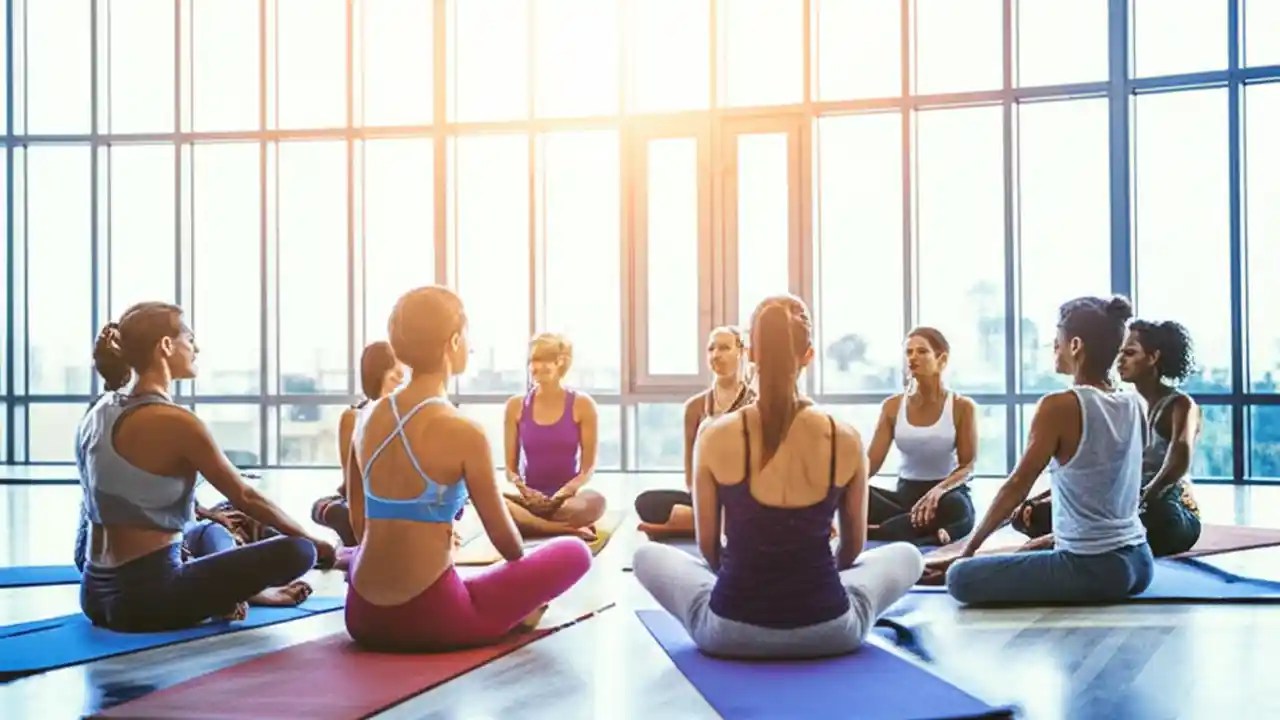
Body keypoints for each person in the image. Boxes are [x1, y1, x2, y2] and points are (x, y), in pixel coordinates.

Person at [632, 294, 924, 659]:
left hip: (728, 632)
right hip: (832, 630)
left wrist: (750, 580)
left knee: (646, 556)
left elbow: (709, 548)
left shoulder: (714, 435)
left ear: (751, 353)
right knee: (908, 555)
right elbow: (852, 548)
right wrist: (811, 581)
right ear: (809, 355)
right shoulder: (844, 437)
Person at [343, 286, 591, 650]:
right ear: (454, 341)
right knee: (574, 552)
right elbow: (507, 545)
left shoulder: (365, 418)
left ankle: (489, 603)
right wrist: (523, 584)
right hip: (432, 618)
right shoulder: (463, 430)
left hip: (362, 615)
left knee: (460, 581)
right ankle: (511, 614)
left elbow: (358, 522)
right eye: (467, 336)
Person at [78, 302, 336, 632]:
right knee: (298, 551)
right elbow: (247, 497)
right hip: (147, 598)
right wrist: (317, 543)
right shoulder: (176, 422)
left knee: (209, 532)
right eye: (189, 337)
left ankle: (237, 590)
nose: (196, 347)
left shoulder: (97, 412)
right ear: (166, 346)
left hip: (93, 592)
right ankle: (248, 592)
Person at [925, 296, 1154, 605]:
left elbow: (1017, 487)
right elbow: (1113, 487)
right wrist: (1050, 540)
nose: (1053, 347)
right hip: (1140, 561)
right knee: (1031, 549)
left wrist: (965, 554)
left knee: (960, 578)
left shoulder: (1059, 406)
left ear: (1075, 345)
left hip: (1092, 568)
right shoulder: (1134, 402)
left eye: (1056, 340)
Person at [1013, 320, 1203, 557]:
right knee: (1028, 516)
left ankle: (1062, 539)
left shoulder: (1181, 405)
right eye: (1120, 352)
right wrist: (1037, 499)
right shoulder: (1124, 404)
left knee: (1159, 520)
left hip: (1165, 505)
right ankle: (1085, 536)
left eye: (1130, 353)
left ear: (1153, 357)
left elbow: (1179, 458)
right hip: (1119, 505)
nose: (1120, 360)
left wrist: (1142, 498)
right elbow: (1093, 469)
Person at [634, 327, 756, 537]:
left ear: (742, 352)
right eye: (711, 349)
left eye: (725, 348)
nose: (716, 355)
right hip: (707, 495)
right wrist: (701, 498)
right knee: (647, 503)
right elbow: (691, 467)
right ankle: (714, 522)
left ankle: (692, 525)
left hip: (746, 493)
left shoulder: (756, 403)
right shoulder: (695, 407)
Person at [864, 328, 977, 546]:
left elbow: (967, 466)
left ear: (941, 359)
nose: (912, 357)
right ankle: (926, 531)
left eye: (922, 351)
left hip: (945, 494)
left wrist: (938, 491)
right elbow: (871, 464)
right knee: (857, 496)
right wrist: (840, 491)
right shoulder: (892, 406)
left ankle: (885, 530)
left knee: (959, 508)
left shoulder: (962, 407)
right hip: (905, 497)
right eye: (909, 352)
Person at [502, 333, 606, 539]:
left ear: (561, 363)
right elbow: (510, 470)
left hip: (566, 501)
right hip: (529, 500)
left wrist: (563, 493)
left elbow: (587, 469)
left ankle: (534, 526)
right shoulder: (515, 406)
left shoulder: (583, 405)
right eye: (533, 360)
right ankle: (558, 529)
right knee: (490, 501)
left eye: (544, 360)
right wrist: (524, 490)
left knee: (596, 501)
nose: (536, 367)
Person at [311, 341, 405, 547]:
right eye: (395, 375)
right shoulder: (354, 416)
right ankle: (361, 540)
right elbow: (351, 481)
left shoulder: (405, 417)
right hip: (361, 500)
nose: (399, 380)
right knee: (328, 509)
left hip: (397, 502)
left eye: (401, 375)